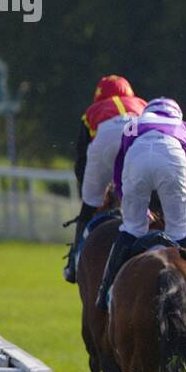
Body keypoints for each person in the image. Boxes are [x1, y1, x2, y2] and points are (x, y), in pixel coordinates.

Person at [95, 97, 186, 310]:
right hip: (173, 157)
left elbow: (119, 174)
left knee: (132, 228)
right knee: (180, 229)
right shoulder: (185, 127)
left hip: (137, 157)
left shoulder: (133, 125)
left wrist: (130, 205)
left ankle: (105, 291)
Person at [65, 74, 146, 282]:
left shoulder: (91, 112)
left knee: (89, 206)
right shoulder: (141, 104)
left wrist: (91, 194)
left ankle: (74, 262)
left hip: (106, 141)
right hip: (142, 139)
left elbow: (82, 159)